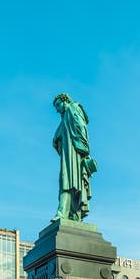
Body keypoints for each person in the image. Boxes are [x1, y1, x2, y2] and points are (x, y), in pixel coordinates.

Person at [51, 93, 97, 222]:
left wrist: (84, 149)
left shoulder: (72, 109)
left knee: (68, 182)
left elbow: (81, 127)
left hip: (74, 154)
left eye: (58, 105)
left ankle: (63, 212)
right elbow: (58, 135)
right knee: (68, 182)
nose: (57, 109)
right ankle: (72, 213)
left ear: (65, 101)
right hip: (68, 153)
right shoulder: (64, 117)